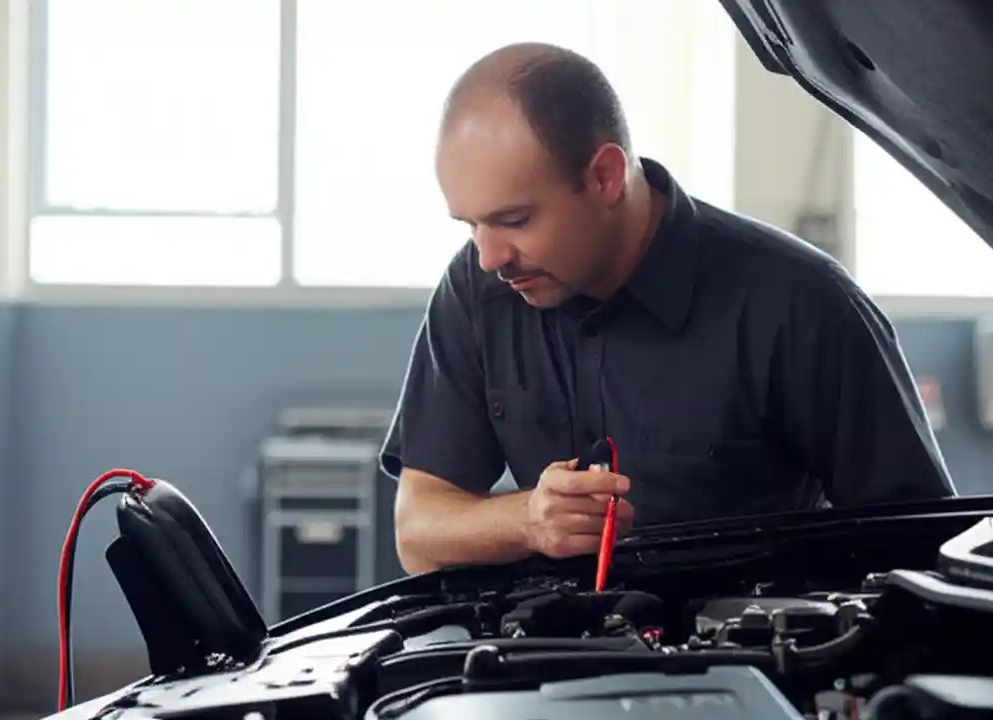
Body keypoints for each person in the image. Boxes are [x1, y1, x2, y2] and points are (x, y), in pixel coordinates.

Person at [379, 42, 957, 574]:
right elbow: (418, 531)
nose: (488, 257)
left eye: (514, 220)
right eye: (470, 224)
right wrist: (528, 520)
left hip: (749, 668)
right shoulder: (477, 293)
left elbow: (916, 544)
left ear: (605, 176)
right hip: (538, 662)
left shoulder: (803, 305)